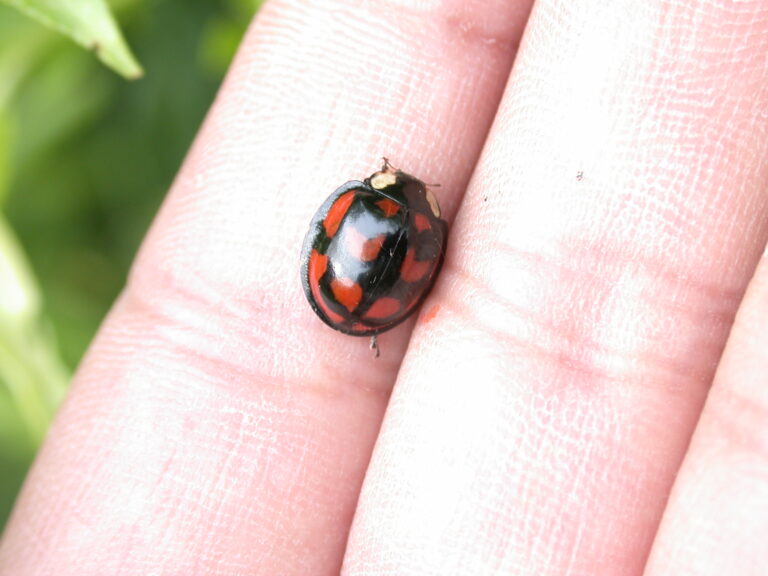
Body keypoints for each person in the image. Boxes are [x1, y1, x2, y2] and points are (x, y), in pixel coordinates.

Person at [2, 0, 767, 574]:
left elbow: (343, 226)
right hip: (363, 305)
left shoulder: (388, 210)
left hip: (358, 305)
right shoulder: (408, 218)